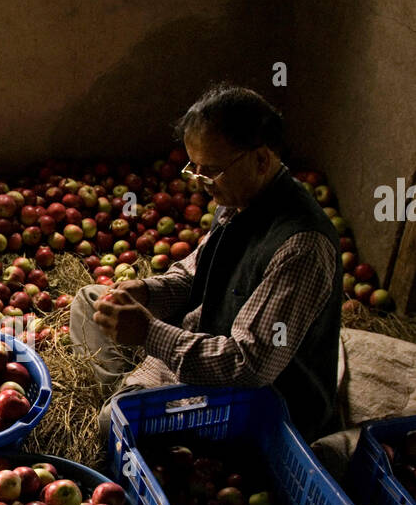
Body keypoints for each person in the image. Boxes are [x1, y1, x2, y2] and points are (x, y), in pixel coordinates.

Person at [70, 85, 343, 443]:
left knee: (113, 424)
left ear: (261, 160)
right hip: (207, 338)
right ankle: (129, 391)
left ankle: (129, 399)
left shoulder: (301, 247)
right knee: (91, 303)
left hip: (260, 400)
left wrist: (150, 334)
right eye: (193, 168)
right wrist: (147, 292)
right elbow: (194, 274)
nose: (200, 184)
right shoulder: (240, 199)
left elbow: (248, 366)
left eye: (210, 171)